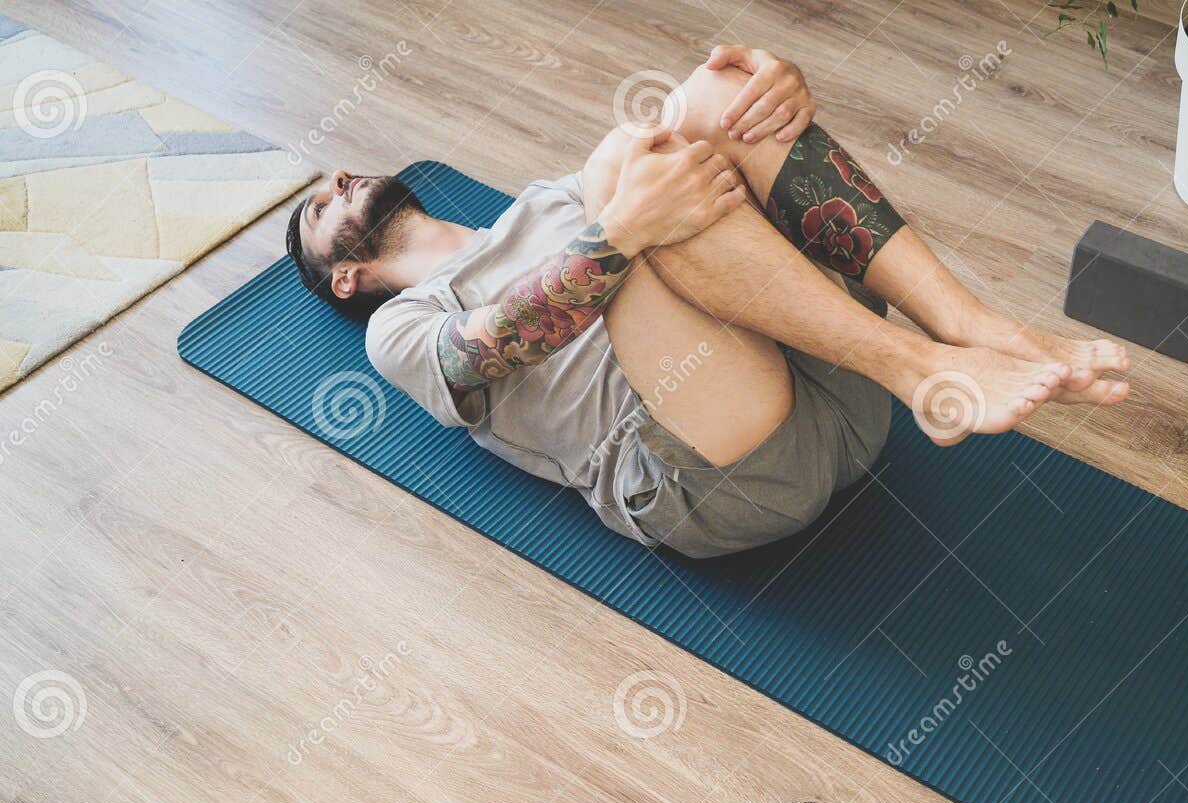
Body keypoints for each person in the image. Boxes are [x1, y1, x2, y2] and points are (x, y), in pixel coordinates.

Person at [286, 45, 1130, 557]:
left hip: (823, 378)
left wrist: (771, 99)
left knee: (699, 101)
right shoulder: (398, 329)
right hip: (721, 469)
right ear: (343, 278)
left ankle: (964, 325)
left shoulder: (540, 201)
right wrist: (618, 230)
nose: (337, 184)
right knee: (631, 162)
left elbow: (709, 141)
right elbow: (489, 348)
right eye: (318, 212)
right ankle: (922, 368)